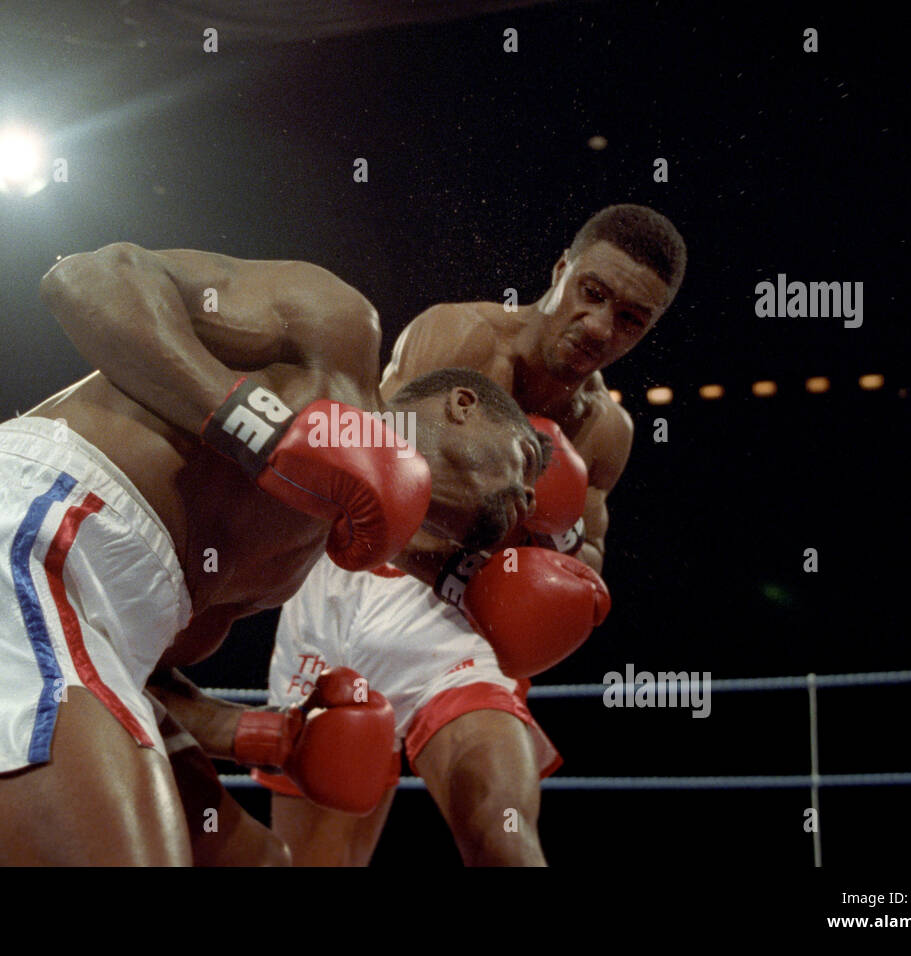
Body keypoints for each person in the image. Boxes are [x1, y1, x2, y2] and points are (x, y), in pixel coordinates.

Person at [0, 243, 549, 865]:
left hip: (74, 613)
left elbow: (143, 676)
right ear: (463, 403)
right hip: (16, 529)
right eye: (524, 462)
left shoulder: (291, 567)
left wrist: (264, 737)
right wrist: (260, 430)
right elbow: (88, 278)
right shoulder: (336, 336)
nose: (526, 498)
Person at [259, 204, 687, 865]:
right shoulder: (462, 338)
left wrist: (562, 558)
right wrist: (484, 525)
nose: (600, 327)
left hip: (454, 623)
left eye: (631, 320)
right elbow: (372, 473)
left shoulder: (606, 433)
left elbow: (588, 560)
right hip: (347, 585)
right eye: (592, 294)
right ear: (562, 269)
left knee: (505, 842)